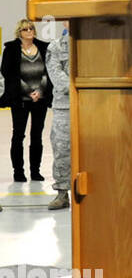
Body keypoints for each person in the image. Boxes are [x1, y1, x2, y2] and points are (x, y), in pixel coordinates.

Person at [2, 18, 52, 183]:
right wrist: (29, 91)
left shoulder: (44, 47)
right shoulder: (10, 49)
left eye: (31, 28)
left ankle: (35, 171)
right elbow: (9, 74)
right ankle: (18, 172)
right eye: (25, 29)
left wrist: (40, 91)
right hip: (20, 100)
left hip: (40, 100)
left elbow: (48, 71)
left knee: (36, 135)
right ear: (19, 32)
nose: (29, 31)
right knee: (18, 135)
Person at [46, 25, 71, 210]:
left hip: (94, 106)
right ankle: (62, 193)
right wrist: (79, 88)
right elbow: (55, 73)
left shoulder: (93, 43)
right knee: (62, 148)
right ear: (64, 22)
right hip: (65, 105)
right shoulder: (55, 47)